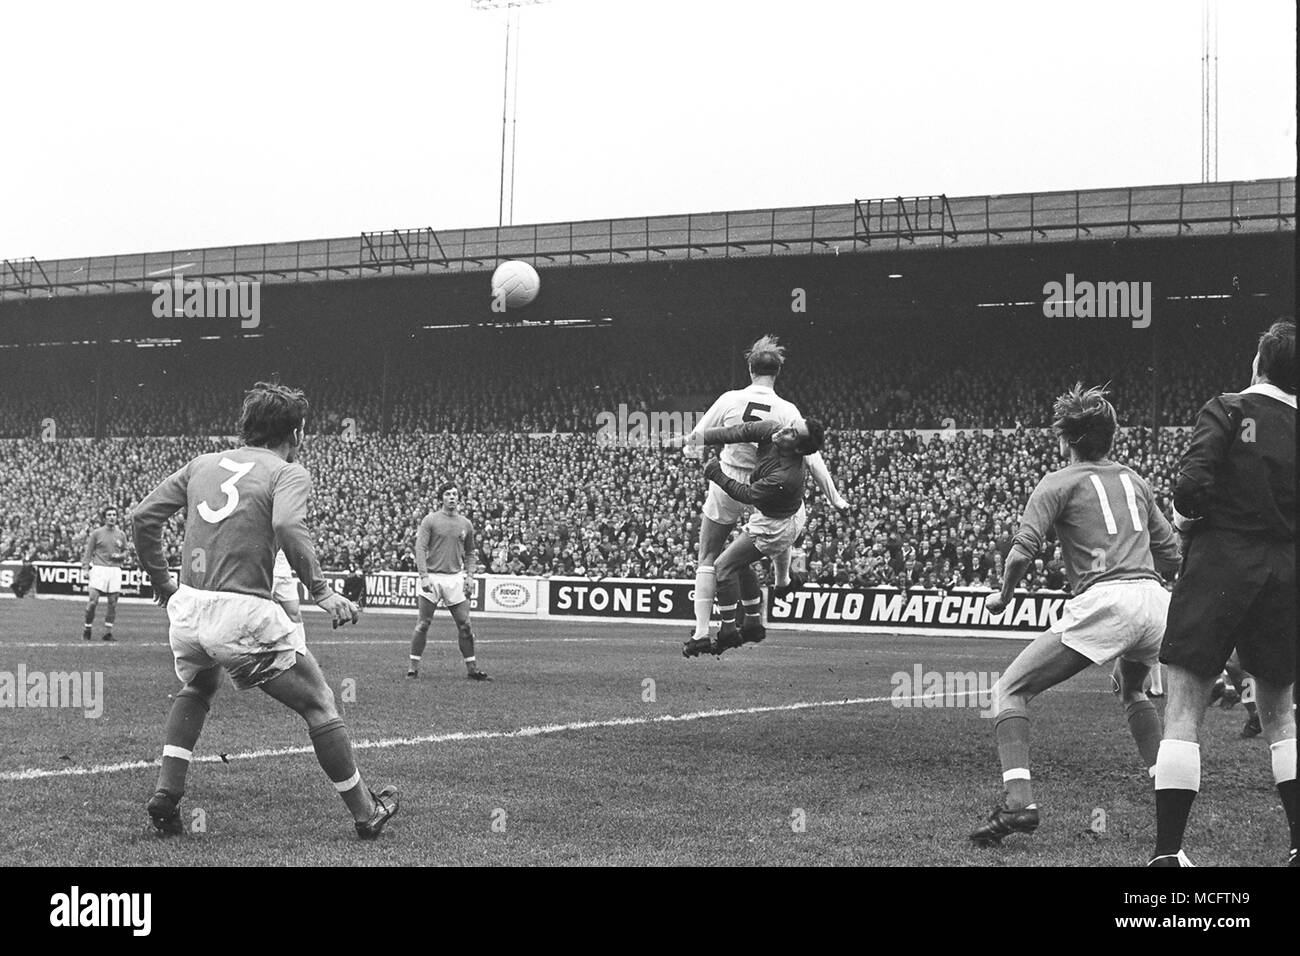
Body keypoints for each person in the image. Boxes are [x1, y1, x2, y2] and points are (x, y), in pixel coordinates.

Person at [132, 382, 399, 839]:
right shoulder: (288, 472)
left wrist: (164, 586)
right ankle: (365, 812)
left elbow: (142, 517)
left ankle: (167, 792)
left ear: (246, 427)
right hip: (244, 613)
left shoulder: (202, 464)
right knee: (319, 703)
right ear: (296, 433)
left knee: (199, 684)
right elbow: (286, 524)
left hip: (189, 610)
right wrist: (320, 590)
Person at [969, 384, 1181, 847]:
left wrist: (1003, 596)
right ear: (1111, 438)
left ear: (1065, 440)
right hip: (1154, 600)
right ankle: (1167, 785)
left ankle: (1019, 803)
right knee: (1132, 689)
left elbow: (1022, 552)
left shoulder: (1056, 482)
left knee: (1009, 689)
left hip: (1106, 602)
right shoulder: (1135, 480)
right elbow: (1171, 554)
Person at [1149, 320, 1295, 868]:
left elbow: (1190, 486)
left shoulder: (1230, 408)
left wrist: (1187, 526)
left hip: (1222, 562)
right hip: (1285, 571)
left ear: (1258, 362)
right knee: (1281, 713)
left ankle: (1169, 853)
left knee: (1185, 706)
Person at [676, 335, 848, 647]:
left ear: (751, 369)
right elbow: (814, 460)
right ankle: (782, 581)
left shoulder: (730, 399)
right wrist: (834, 497)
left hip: (730, 478)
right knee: (785, 517)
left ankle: (701, 631)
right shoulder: (786, 410)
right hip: (768, 486)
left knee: (708, 555)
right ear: (777, 373)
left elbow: (705, 434)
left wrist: (692, 450)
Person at [683, 415, 827, 657]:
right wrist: (695, 438)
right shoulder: (773, 430)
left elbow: (747, 494)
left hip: (775, 526)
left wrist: (716, 473)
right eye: (791, 425)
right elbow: (732, 433)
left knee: (722, 568)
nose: (785, 430)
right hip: (783, 513)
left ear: (800, 449)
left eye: (792, 433)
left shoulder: (785, 476)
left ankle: (728, 631)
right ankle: (756, 619)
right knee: (739, 564)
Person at [408, 483, 490, 681]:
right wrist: (423, 576)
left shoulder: (466, 524)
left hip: (455, 578)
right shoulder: (430, 520)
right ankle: (413, 668)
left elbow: (470, 552)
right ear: (441, 498)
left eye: (455, 494)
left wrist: (470, 576)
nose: (452, 497)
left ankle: (472, 669)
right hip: (433, 577)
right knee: (423, 624)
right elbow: (420, 548)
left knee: (465, 625)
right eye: (448, 494)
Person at [81, 506, 129, 641]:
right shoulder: (97, 533)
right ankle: (87, 627)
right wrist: (85, 568)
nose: (112, 517)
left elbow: (126, 552)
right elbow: (88, 552)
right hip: (99, 569)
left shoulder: (121, 535)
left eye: (114, 514)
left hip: (115, 570)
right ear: (104, 517)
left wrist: (120, 556)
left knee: (112, 603)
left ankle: (108, 632)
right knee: (92, 602)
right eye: (109, 515)